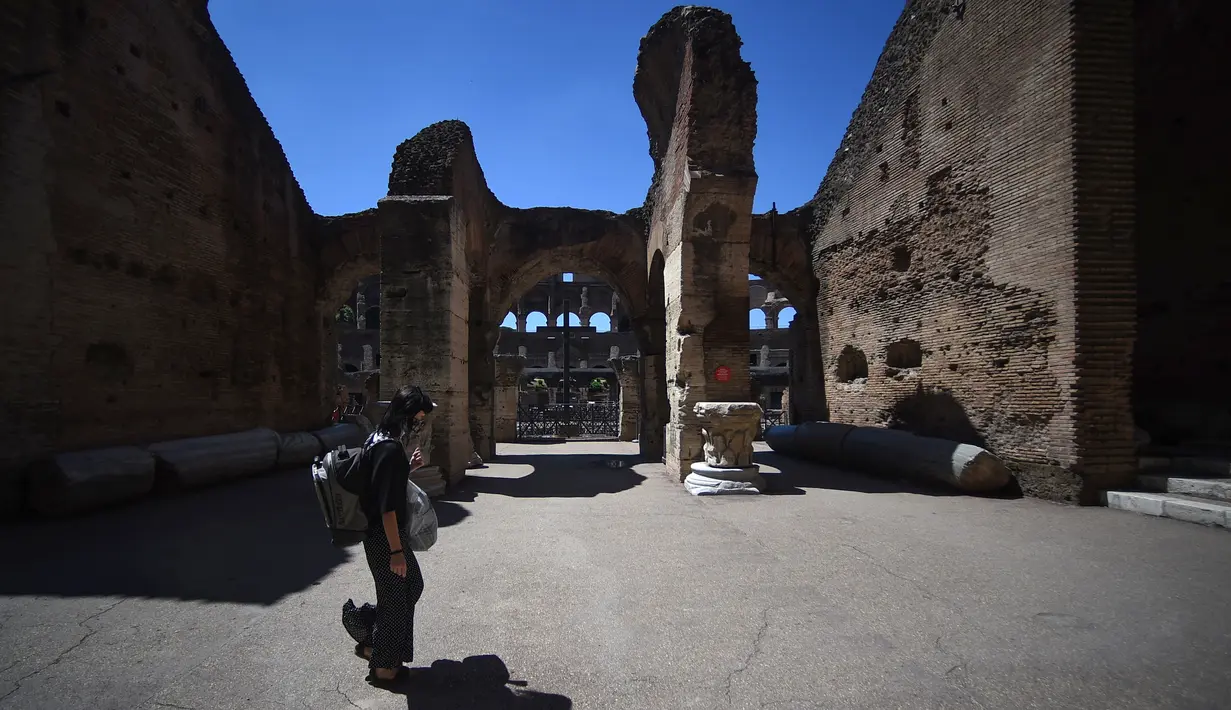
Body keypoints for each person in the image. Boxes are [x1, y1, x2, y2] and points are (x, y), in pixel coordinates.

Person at [350, 385, 434, 687]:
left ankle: (376, 644)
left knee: (403, 590)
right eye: (417, 419)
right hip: (384, 535)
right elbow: (386, 507)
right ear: (405, 415)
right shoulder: (387, 448)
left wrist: (406, 469)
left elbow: (383, 487)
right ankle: (382, 664)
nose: (418, 425)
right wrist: (396, 551)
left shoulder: (380, 440)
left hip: (381, 533)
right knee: (399, 594)